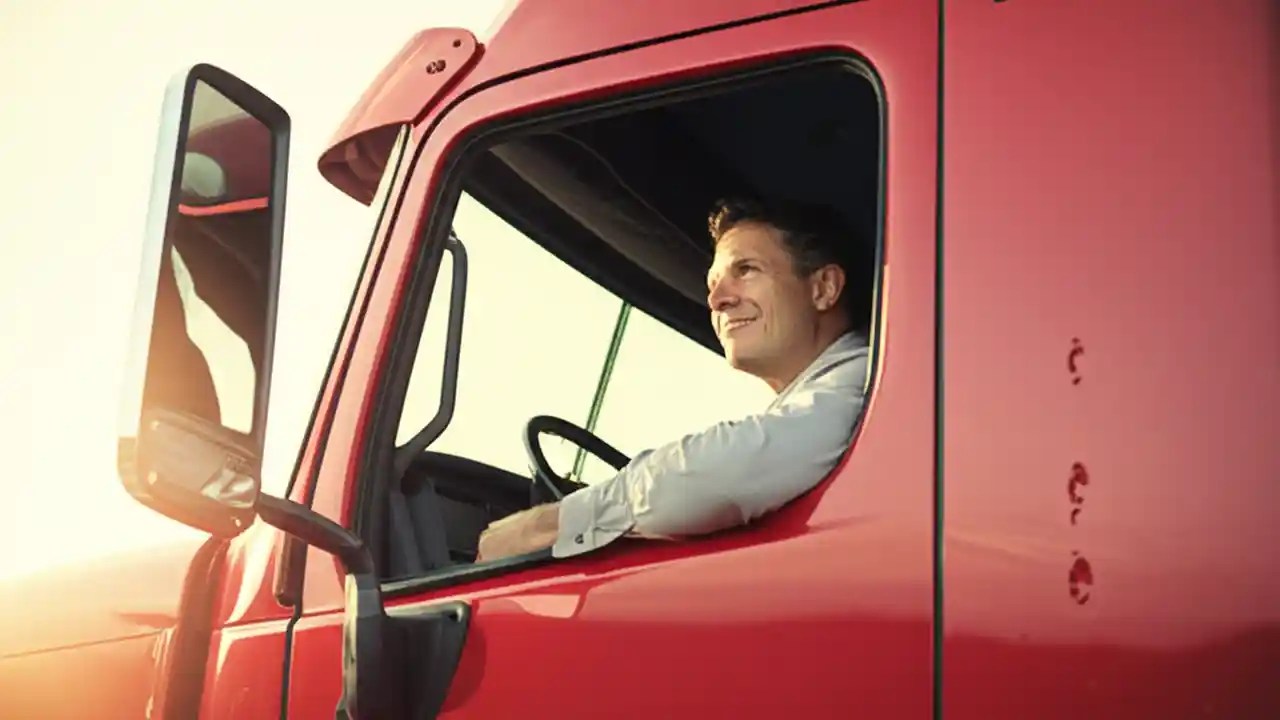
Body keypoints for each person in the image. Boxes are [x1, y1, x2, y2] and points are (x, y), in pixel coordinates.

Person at [476, 196, 873, 562]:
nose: (718, 300)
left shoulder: (865, 381)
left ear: (824, 288)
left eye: (746, 270)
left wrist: (546, 526)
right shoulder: (830, 397)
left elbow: (716, 475)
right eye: (713, 285)